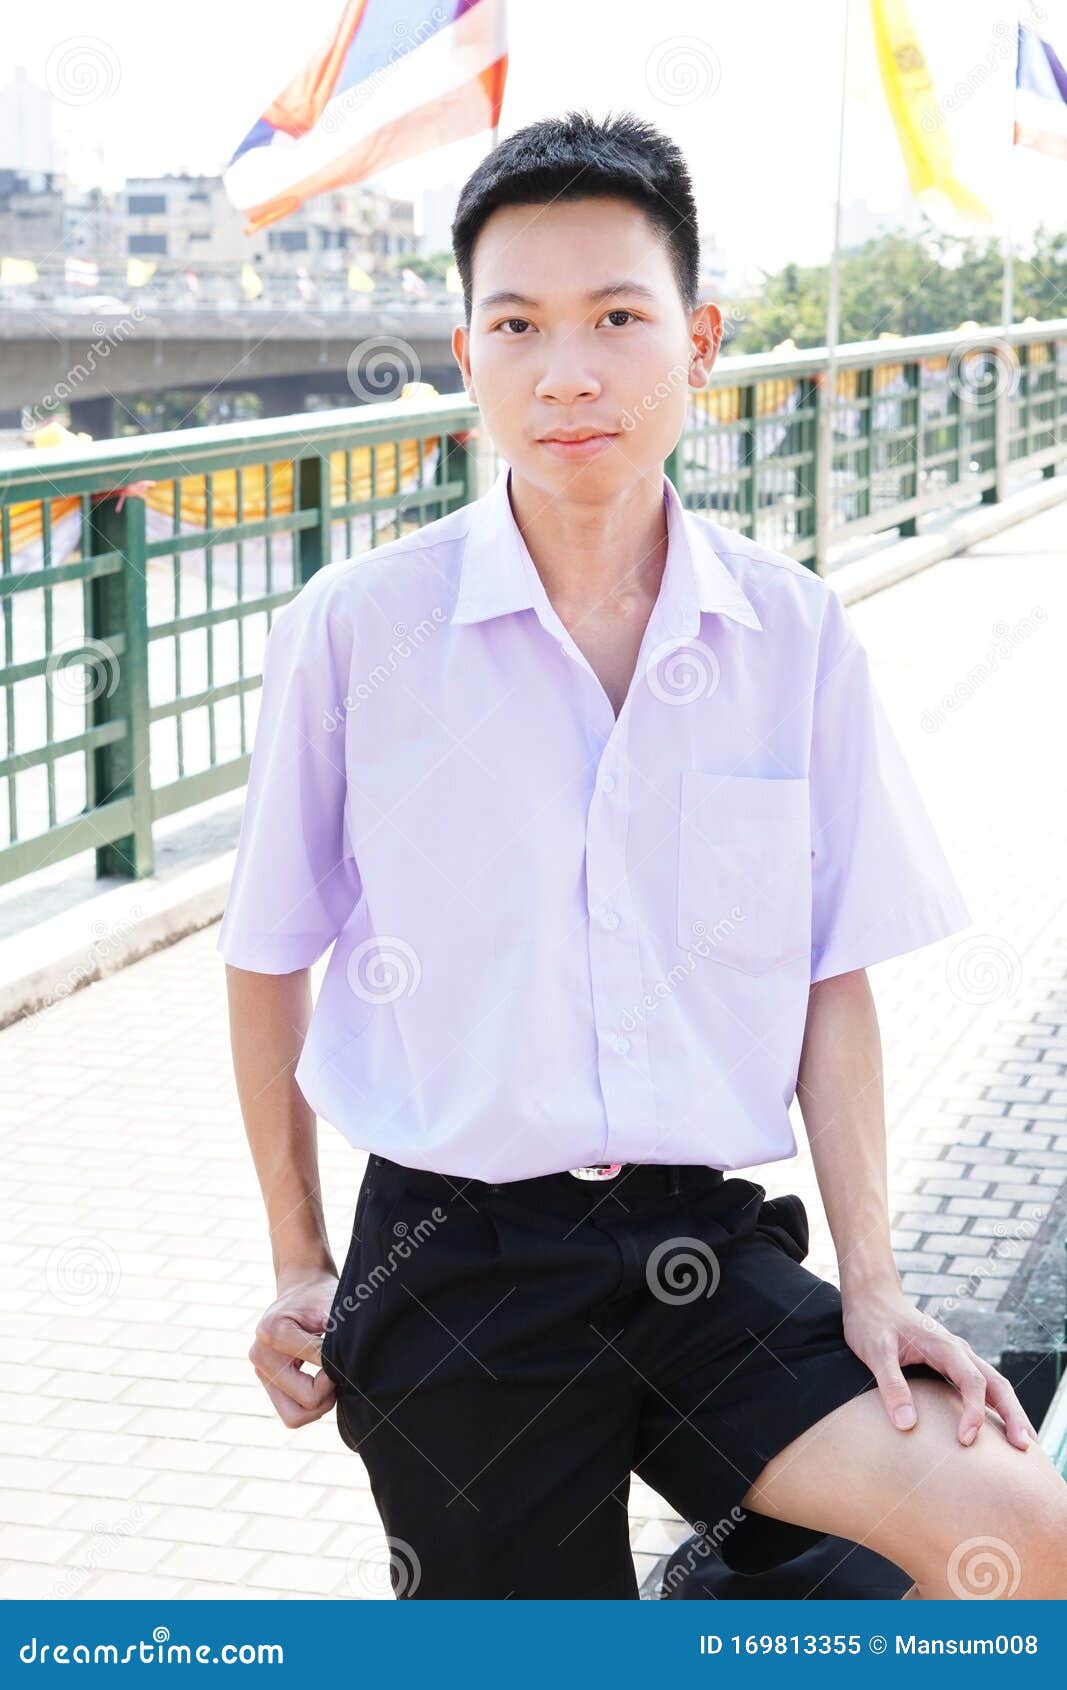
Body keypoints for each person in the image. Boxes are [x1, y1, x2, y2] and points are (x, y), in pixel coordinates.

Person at [218, 110, 1067, 1600]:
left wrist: (875, 1281)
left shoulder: (789, 630)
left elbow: (830, 979)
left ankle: (725, 1585)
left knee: (1020, 1536)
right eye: (519, 324)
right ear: (466, 352)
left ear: (702, 339)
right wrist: (300, 1256)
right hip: (455, 1258)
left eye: (619, 317)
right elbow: (262, 953)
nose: (569, 372)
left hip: (701, 1238)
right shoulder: (359, 630)